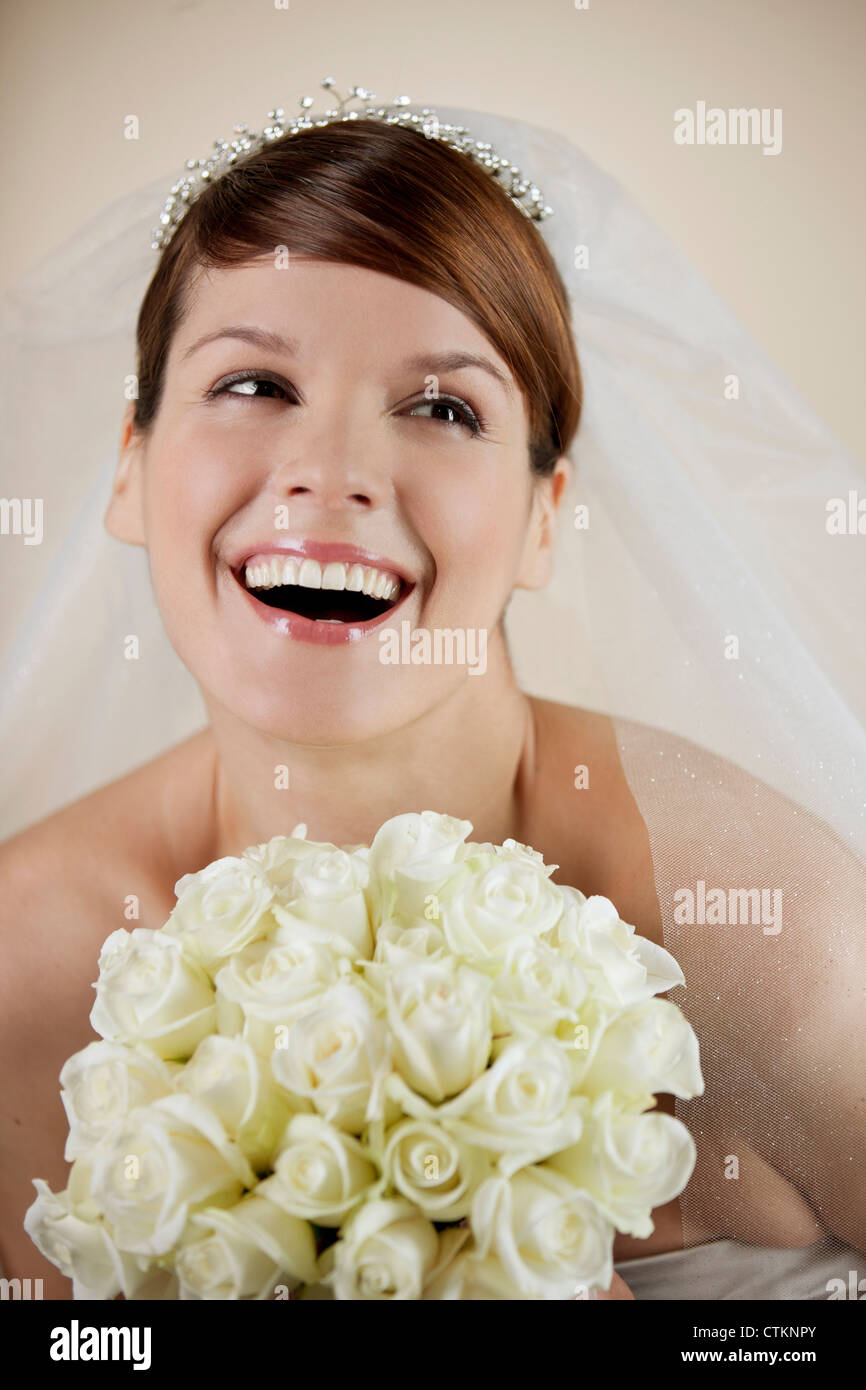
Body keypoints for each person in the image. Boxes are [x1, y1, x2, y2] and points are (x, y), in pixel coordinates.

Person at [0, 90, 863, 1301]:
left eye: (442, 407)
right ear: (130, 466)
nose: (331, 473)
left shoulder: (772, 943)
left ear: (544, 518)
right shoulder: (21, 975)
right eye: (253, 383)